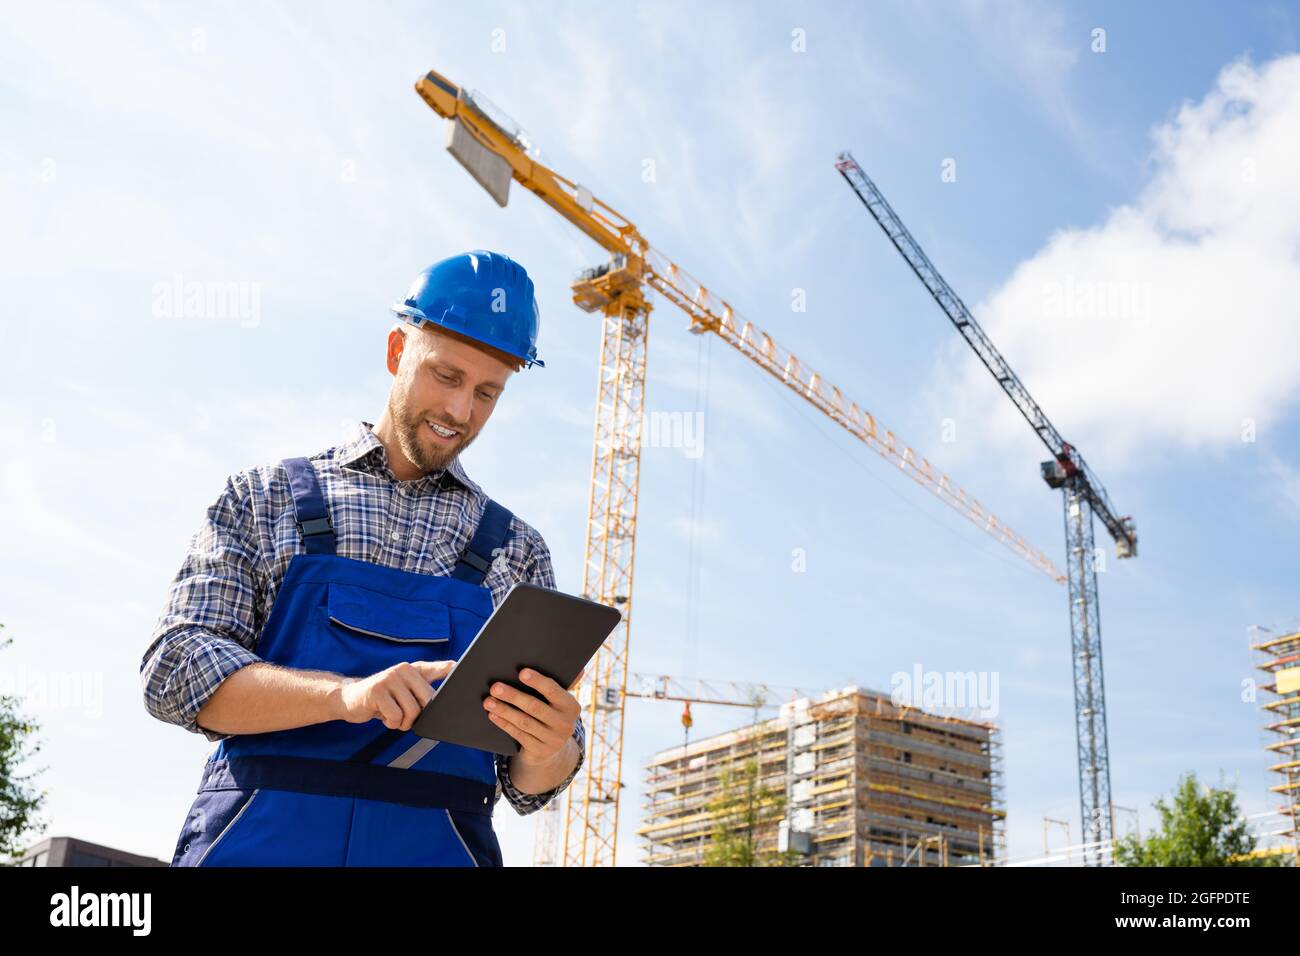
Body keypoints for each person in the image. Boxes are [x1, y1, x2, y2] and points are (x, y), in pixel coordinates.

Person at [141, 250, 584, 866]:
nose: (461, 411)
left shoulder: (518, 552)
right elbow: (173, 670)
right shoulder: (264, 499)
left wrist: (550, 744)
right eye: (447, 376)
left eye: (487, 392)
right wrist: (345, 697)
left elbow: (531, 783)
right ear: (397, 353)